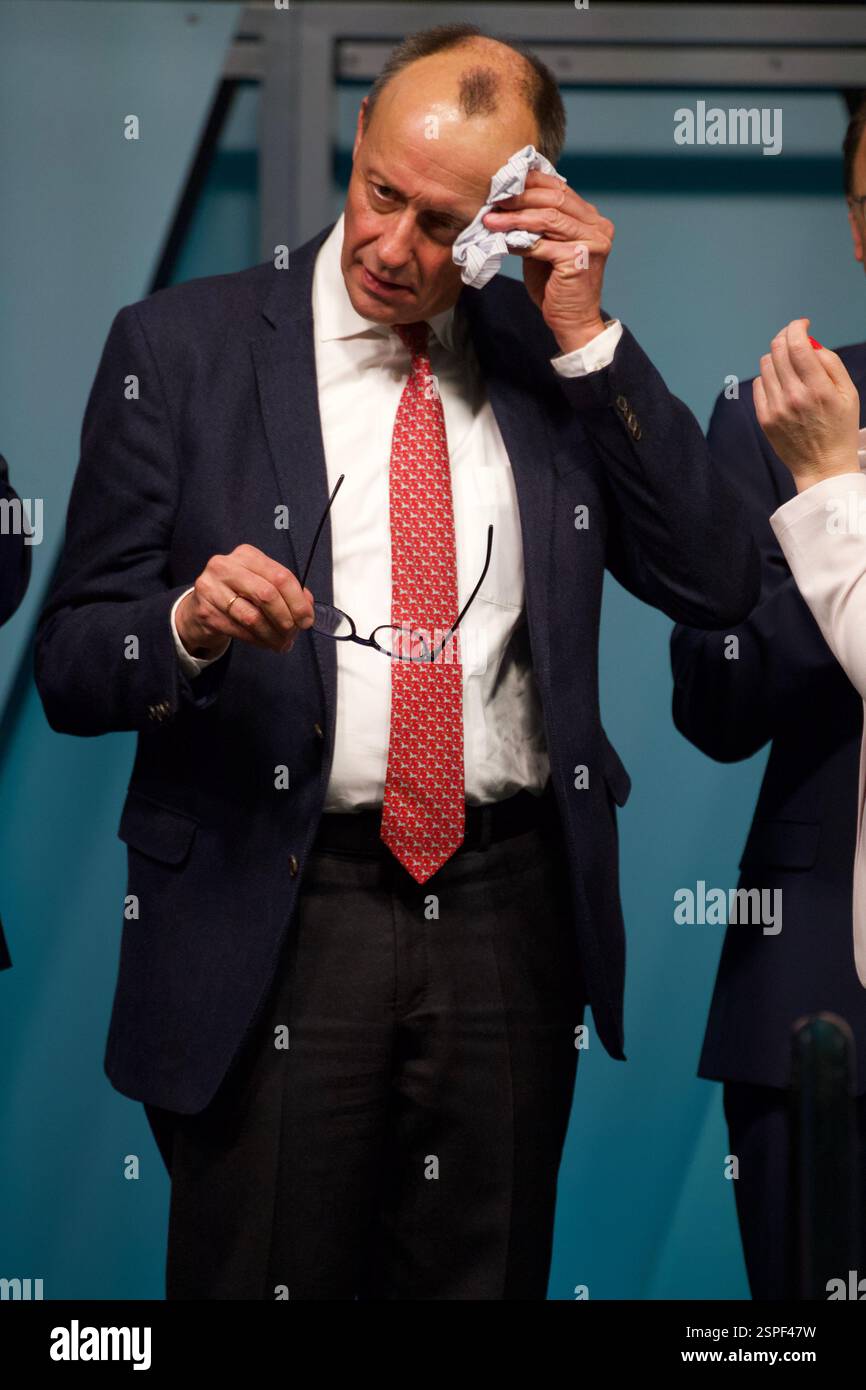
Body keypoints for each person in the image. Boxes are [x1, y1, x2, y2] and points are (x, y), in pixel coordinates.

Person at [35, 23, 758, 1300]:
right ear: (357, 145)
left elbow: (712, 581)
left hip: (504, 910)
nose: (393, 248)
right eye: (381, 194)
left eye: (440, 225)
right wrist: (191, 625)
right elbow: (77, 659)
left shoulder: (551, 369)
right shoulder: (178, 350)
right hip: (277, 909)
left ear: (507, 216)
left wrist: (587, 337)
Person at [670, 97, 866, 1301]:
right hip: (815, 1001)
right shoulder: (774, 415)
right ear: (853, 226)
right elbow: (714, 701)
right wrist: (820, 493)